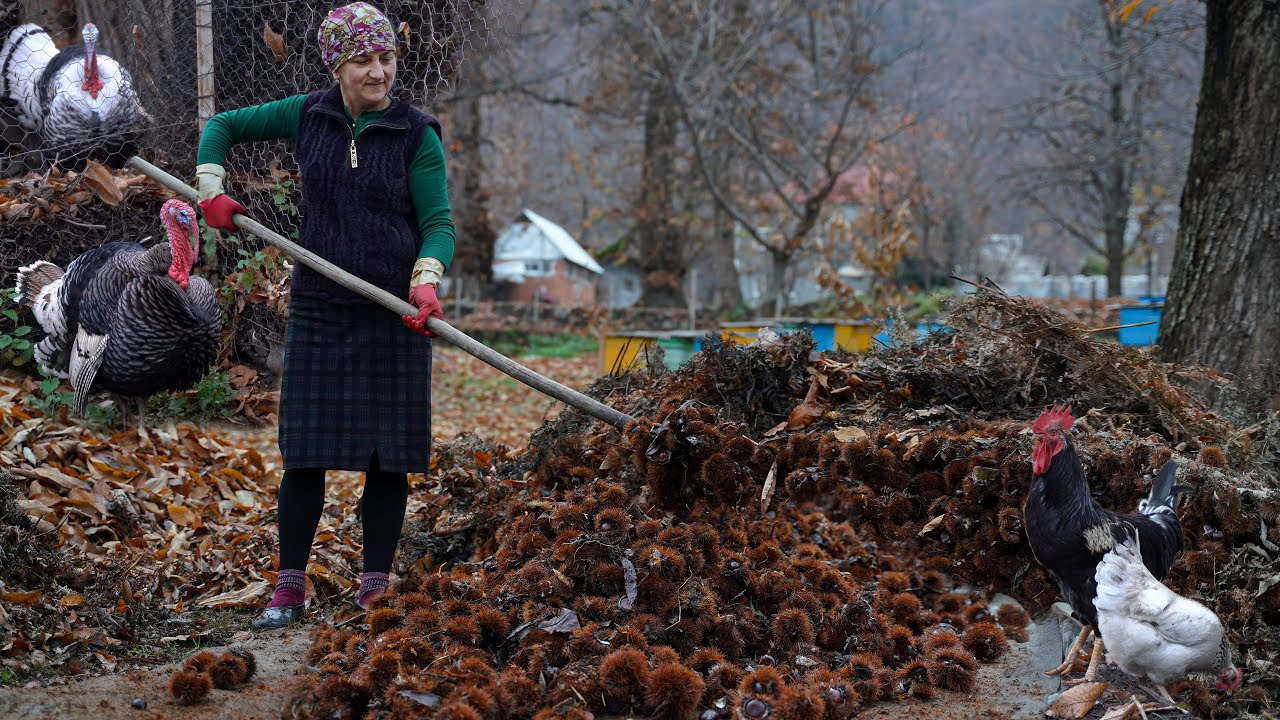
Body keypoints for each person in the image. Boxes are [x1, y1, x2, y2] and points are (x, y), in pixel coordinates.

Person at [194, 1, 454, 630]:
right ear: (336, 65)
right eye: (363, 59)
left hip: (393, 315)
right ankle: (289, 588)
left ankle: (374, 587)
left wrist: (424, 282)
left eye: (386, 56)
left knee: (389, 456)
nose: (379, 71)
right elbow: (221, 127)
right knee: (304, 453)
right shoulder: (307, 115)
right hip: (320, 305)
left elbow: (438, 225)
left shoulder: (416, 135)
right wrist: (212, 192)